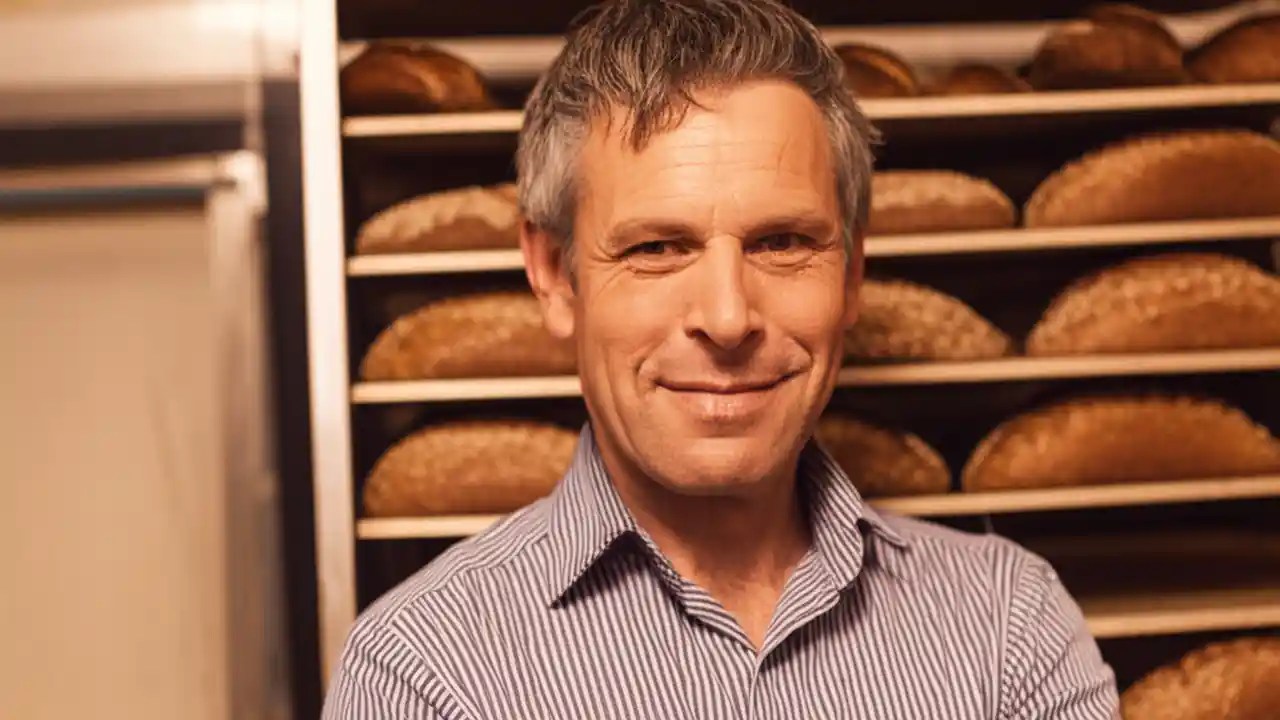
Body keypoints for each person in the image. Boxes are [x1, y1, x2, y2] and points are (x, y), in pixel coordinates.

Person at [322, 1, 1120, 717]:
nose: (729, 318)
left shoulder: (1008, 625)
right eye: (657, 248)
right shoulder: (424, 676)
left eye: (783, 242)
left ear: (851, 273)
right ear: (556, 275)